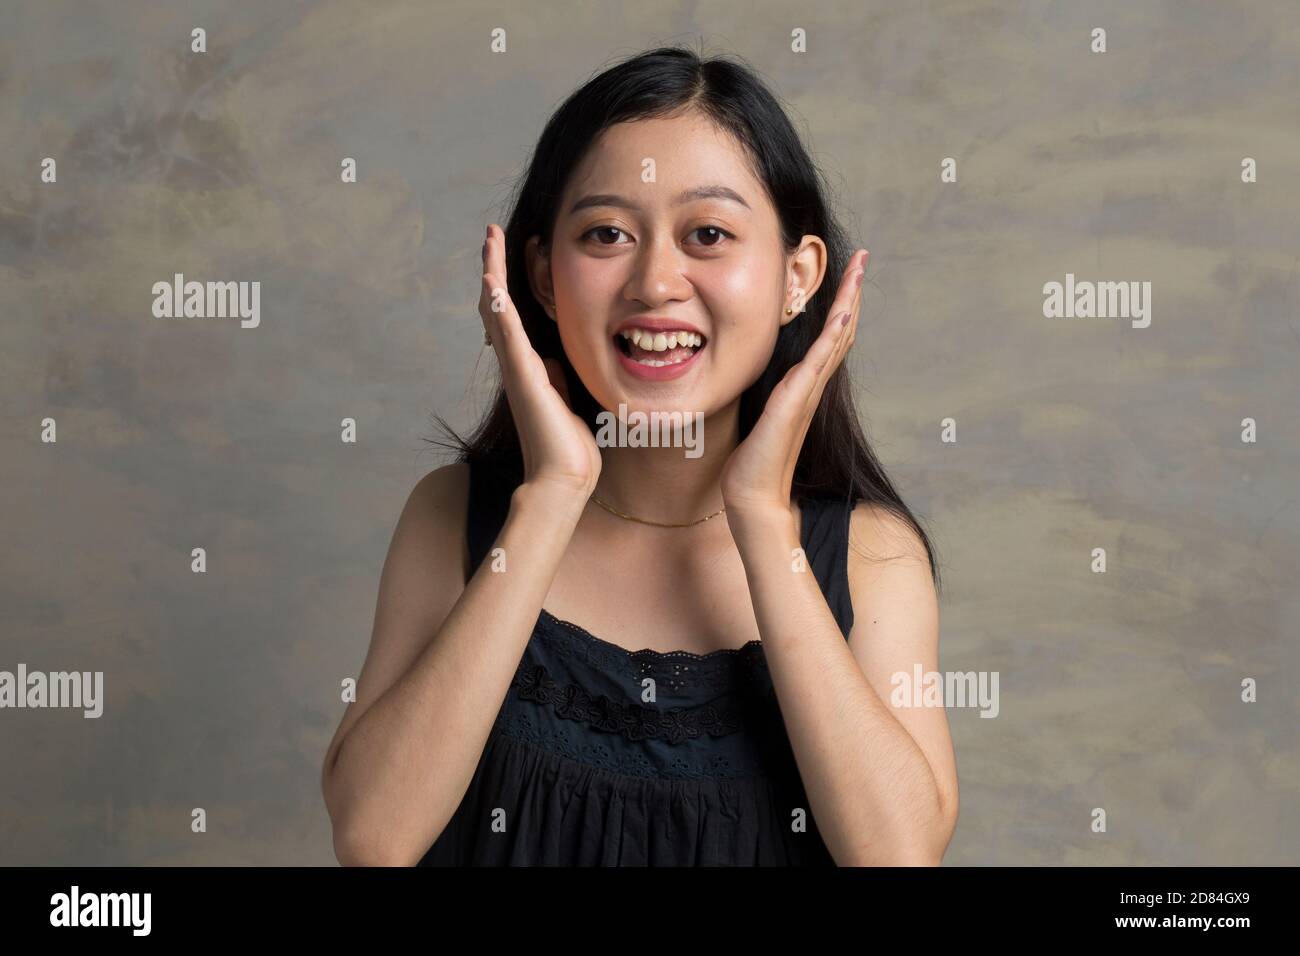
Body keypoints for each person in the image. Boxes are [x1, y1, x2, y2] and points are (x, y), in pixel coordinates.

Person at [321, 44, 957, 866]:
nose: (656, 281)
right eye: (608, 233)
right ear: (543, 277)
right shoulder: (452, 518)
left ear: (798, 277)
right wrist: (551, 495)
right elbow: (374, 837)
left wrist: (762, 519)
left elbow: (897, 857)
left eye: (709, 234)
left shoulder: (872, 558)